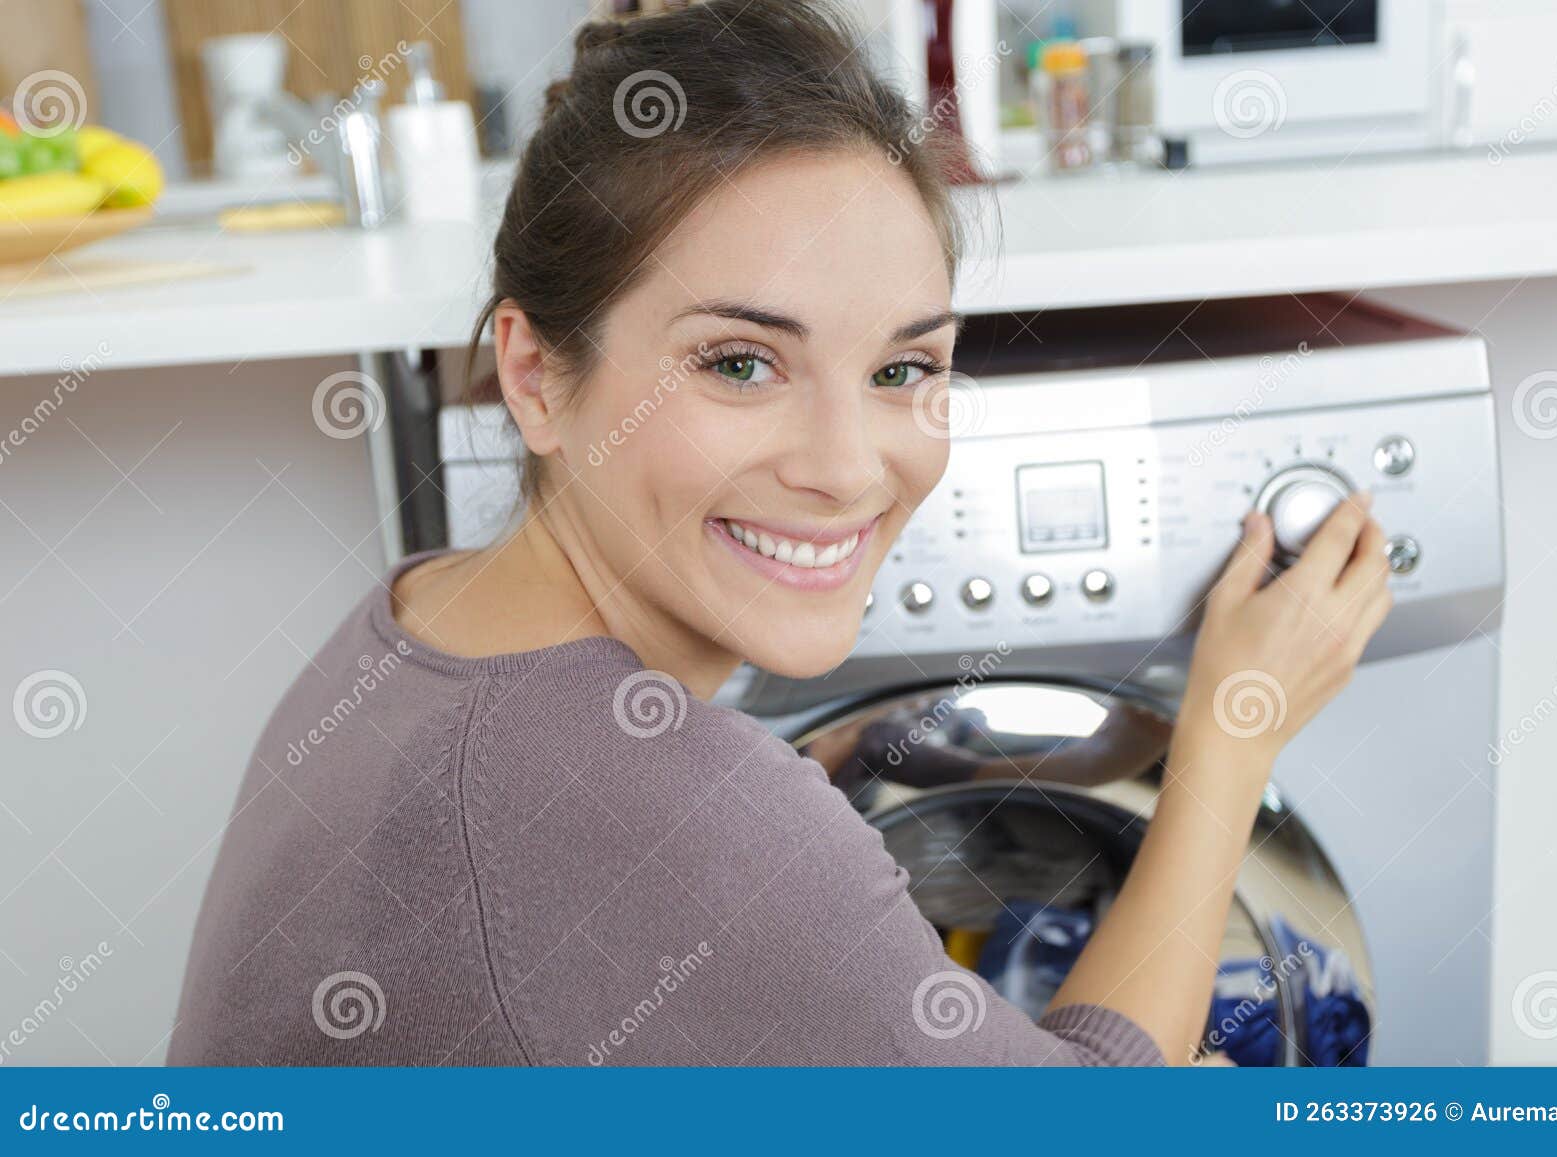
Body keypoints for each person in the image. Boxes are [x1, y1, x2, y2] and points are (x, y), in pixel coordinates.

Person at [168, 0, 1392, 1066]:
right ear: (534, 376)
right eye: (740, 363)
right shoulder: (657, 809)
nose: (846, 467)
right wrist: (1234, 730)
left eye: (902, 368)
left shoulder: (418, 620)